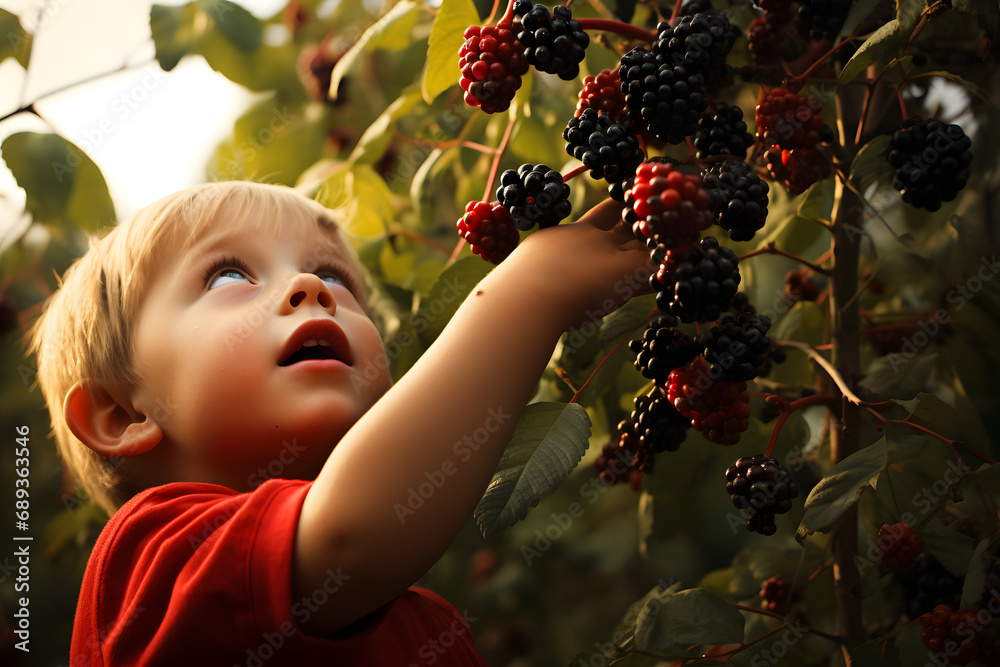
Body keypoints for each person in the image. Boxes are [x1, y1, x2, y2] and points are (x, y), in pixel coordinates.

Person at [29, 180, 651, 665]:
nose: (310, 287)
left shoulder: (430, 626)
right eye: (228, 274)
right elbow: (353, 532)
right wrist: (531, 290)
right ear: (122, 413)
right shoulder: (147, 566)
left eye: (333, 275)